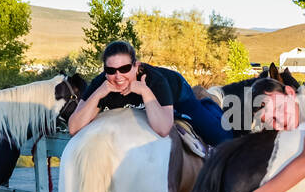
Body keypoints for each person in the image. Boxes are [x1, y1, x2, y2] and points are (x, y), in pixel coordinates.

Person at [66, 40, 233, 146]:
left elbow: (162, 129)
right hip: (147, 102)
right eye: (111, 70)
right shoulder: (102, 84)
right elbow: (74, 128)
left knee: (220, 139)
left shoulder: (154, 81)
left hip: (178, 93)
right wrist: (97, 95)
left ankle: (208, 104)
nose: (118, 76)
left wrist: (145, 92)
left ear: (136, 65)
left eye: (124, 69)